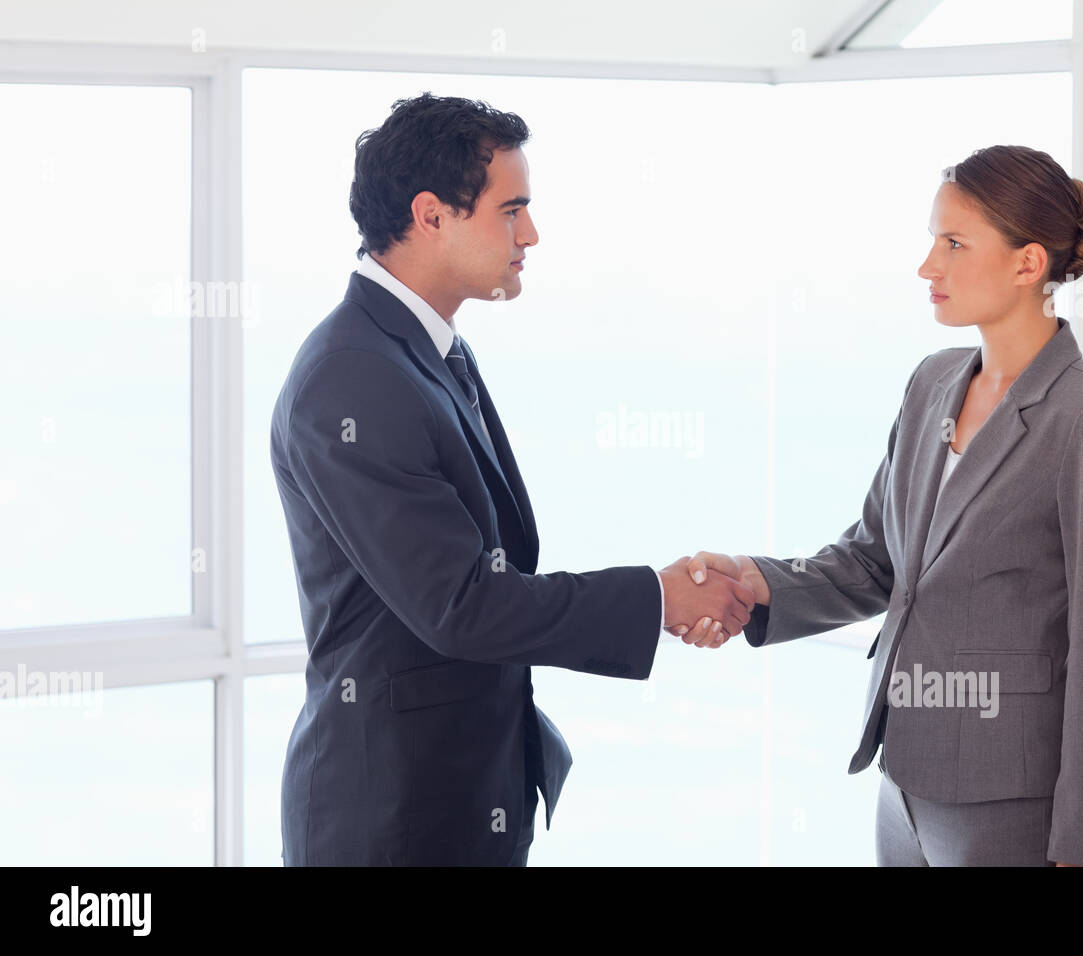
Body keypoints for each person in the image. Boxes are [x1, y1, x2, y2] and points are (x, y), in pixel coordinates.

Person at [270, 93, 754, 866]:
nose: (531, 234)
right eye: (512, 209)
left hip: (460, 795)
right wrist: (660, 597)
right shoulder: (352, 376)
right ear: (431, 216)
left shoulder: (423, 350)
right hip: (392, 819)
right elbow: (460, 605)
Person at [677, 145, 1083, 867]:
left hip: (1011, 804)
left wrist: (1082, 845)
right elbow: (875, 560)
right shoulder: (933, 382)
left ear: (1028, 266)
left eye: (955, 244)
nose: (929, 266)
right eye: (935, 240)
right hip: (903, 781)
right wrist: (753, 578)